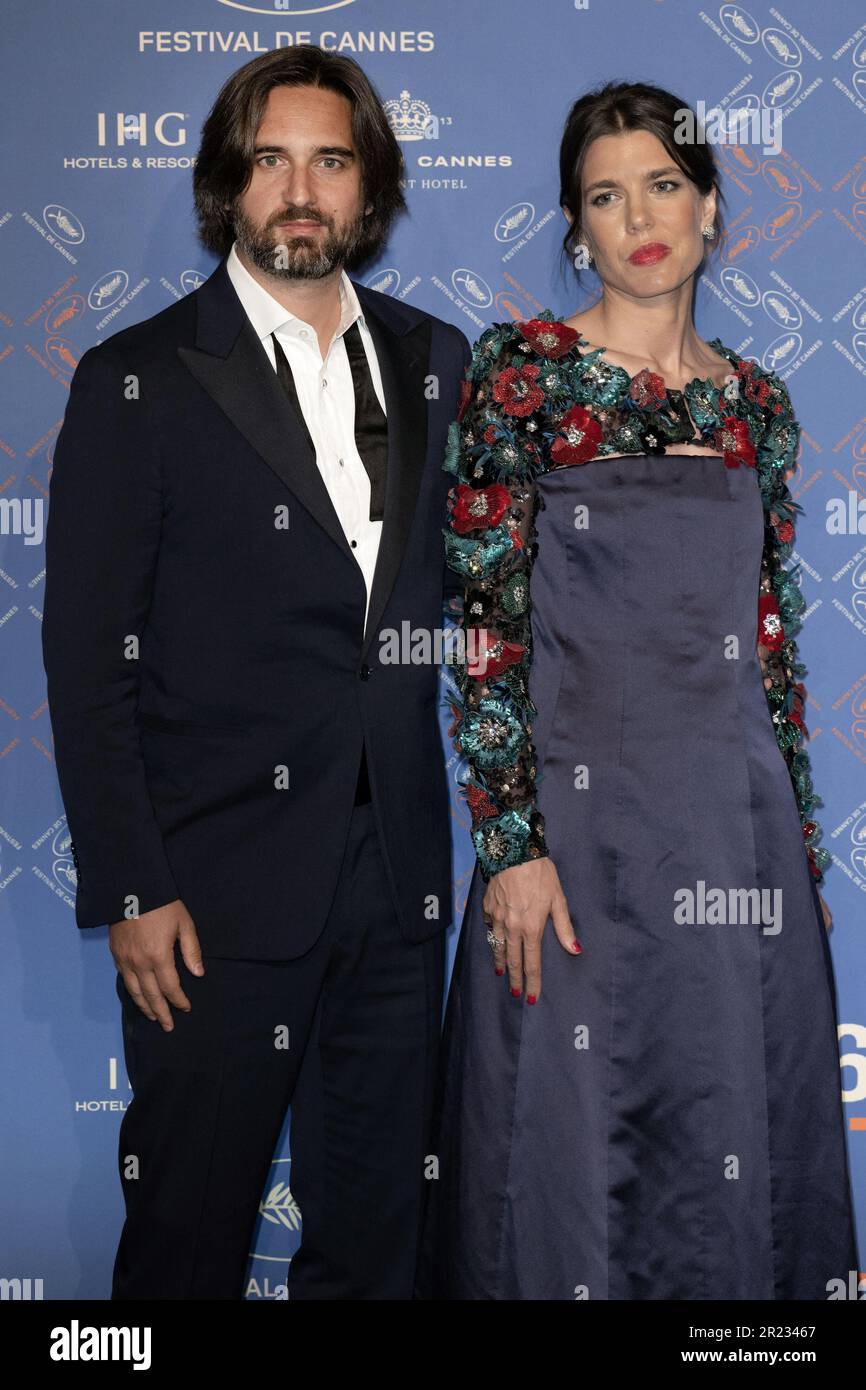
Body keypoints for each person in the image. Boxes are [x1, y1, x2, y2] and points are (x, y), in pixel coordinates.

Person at [417, 80, 859, 1300]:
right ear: (577, 227)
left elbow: (767, 646)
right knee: (559, 1154)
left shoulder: (755, 402)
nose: (638, 217)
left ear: (709, 208)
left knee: (738, 1155)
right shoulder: (524, 372)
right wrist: (509, 843)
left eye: (662, 185)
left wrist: (798, 860)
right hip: (578, 837)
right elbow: (485, 624)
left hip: (736, 830)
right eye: (604, 196)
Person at [42, 44, 470, 1300]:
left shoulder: (436, 360)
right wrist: (131, 885)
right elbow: (86, 655)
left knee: (379, 1235)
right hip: (210, 898)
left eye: (329, 161)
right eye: (270, 160)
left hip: (397, 880)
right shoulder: (139, 377)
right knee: (184, 1235)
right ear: (228, 187)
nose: (300, 189)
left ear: (368, 189)